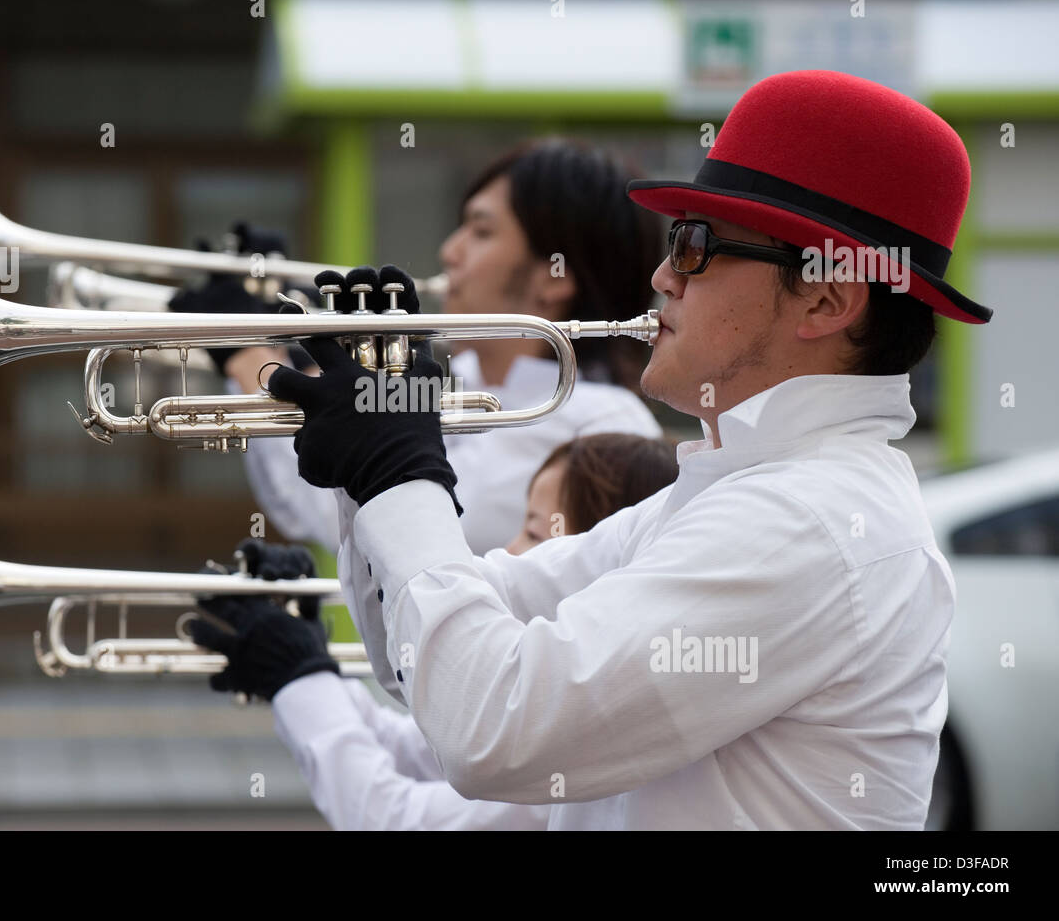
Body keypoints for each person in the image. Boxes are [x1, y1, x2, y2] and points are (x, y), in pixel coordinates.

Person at [216, 69, 993, 830]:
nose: (662, 274)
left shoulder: (807, 518)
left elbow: (495, 729)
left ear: (827, 297)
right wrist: (367, 461)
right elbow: (416, 664)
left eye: (695, 246)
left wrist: (398, 472)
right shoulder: (742, 488)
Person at [176, 138, 664, 555]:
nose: (450, 250)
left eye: (482, 231)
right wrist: (280, 338)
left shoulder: (600, 424)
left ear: (554, 276)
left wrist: (250, 358)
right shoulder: (463, 380)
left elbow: (375, 530)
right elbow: (313, 505)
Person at [196, 434, 678, 830]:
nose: (509, 551)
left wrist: (299, 680)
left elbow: (395, 819)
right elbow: (413, 747)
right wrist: (307, 657)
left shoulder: (574, 736)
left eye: (533, 531)